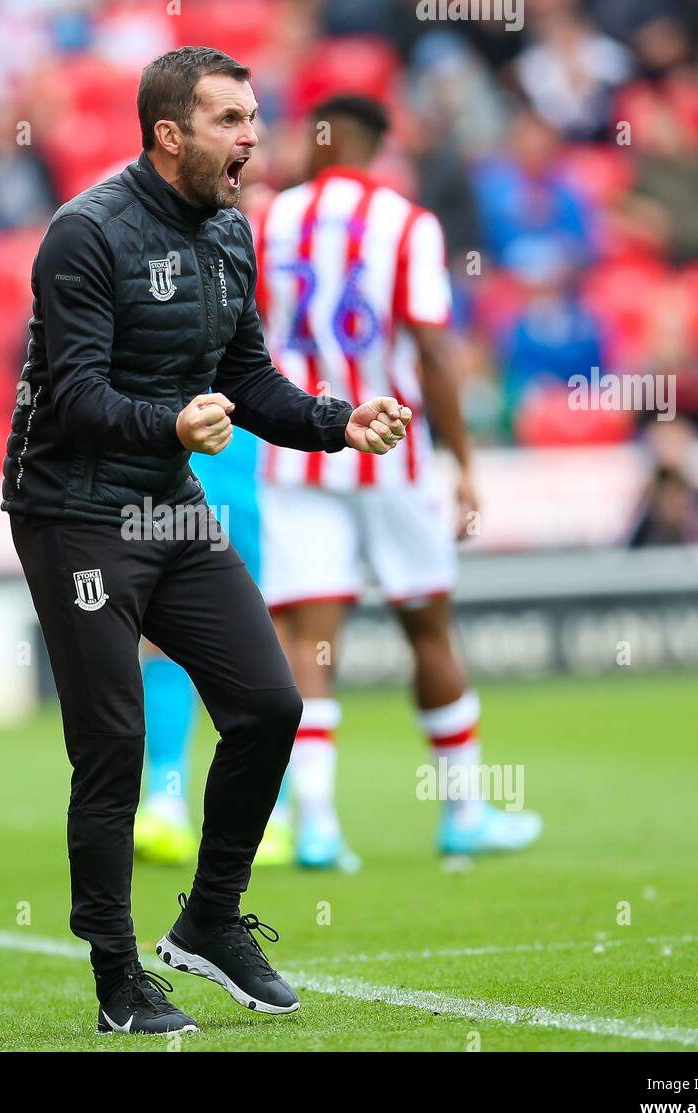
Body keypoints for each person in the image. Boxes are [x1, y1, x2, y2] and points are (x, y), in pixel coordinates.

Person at [1, 48, 412, 1035]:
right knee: (113, 744)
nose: (253, 136)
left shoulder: (232, 232)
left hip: (167, 502)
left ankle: (212, 919)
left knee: (270, 704)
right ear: (168, 135)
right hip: (73, 510)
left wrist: (334, 419)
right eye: (230, 119)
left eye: (255, 117)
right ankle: (116, 979)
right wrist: (171, 426)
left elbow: (251, 377)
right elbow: (77, 395)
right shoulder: (83, 234)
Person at [254, 95, 543, 865]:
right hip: (392, 448)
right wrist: (464, 461)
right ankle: (464, 814)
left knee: (310, 642)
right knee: (428, 629)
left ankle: (315, 822)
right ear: (377, 147)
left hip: (296, 450)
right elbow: (435, 349)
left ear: (323, 142)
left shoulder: (270, 219)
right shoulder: (407, 223)